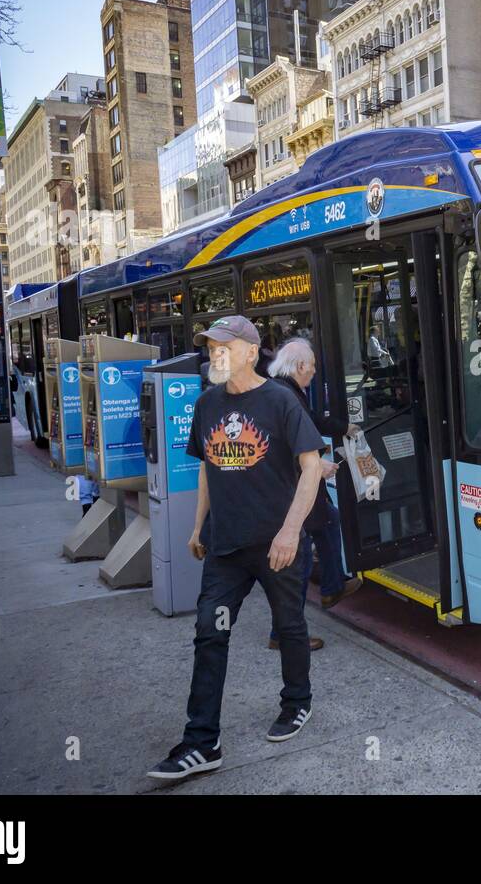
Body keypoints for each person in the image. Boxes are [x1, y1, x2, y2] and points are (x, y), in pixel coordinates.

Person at [147, 315, 324, 782]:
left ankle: (297, 703)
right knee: (210, 634)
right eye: (210, 348)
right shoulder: (207, 405)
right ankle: (202, 742)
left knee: (289, 626)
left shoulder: (281, 401)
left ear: (251, 352)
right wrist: (197, 526)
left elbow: (312, 467)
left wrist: (290, 532)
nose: (214, 356)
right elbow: (208, 466)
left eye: (224, 348)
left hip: (276, 545)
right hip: (226, 548)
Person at [266, 338, 364, 651]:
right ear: (298, 367)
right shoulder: (285, 395)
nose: (313, 372)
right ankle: (283, 634)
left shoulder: (286, 391)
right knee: (300, 561)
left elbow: (310, 421)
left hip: (301, 487)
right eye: (311, 368)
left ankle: (333, 586)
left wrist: (343, 427)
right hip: (295, 490)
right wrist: (316, 465)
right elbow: (280, 444)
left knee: (329, 520)